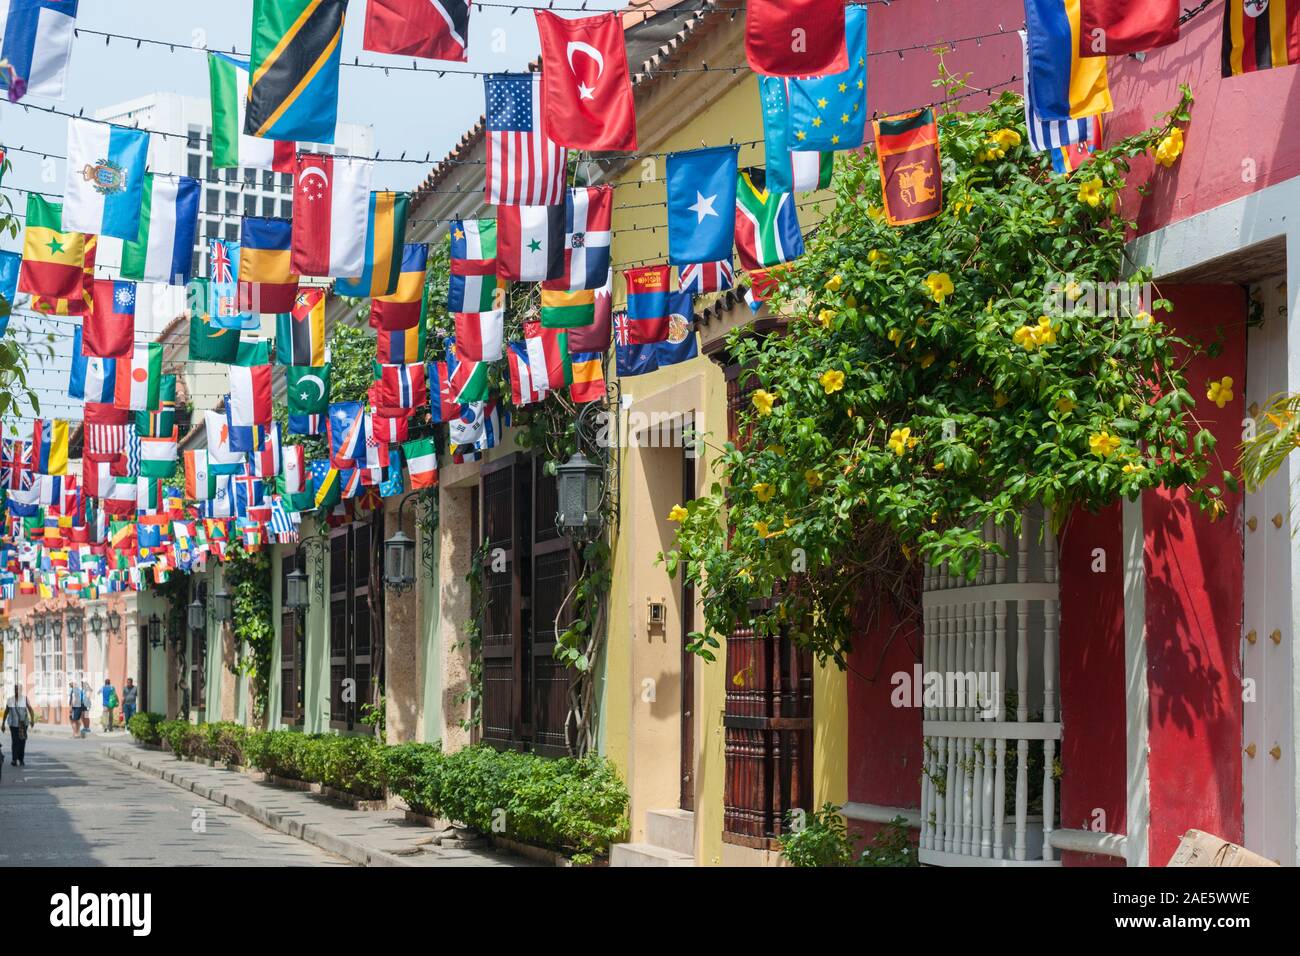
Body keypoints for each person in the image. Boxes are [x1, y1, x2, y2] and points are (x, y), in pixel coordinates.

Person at [3, 687, 36, 766]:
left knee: (22, 741)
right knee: (15, 741)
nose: (17, 691)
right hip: (13, 724)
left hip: (23, 724)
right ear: (14, 690)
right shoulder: (10, 700)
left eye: (18, 689)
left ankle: (21, 759)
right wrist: (3, 723)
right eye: (15, 689)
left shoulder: (25, 699)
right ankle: (14, 759)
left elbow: (30, 709)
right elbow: (6, 711)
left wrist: (32, 720)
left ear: (21, 690)